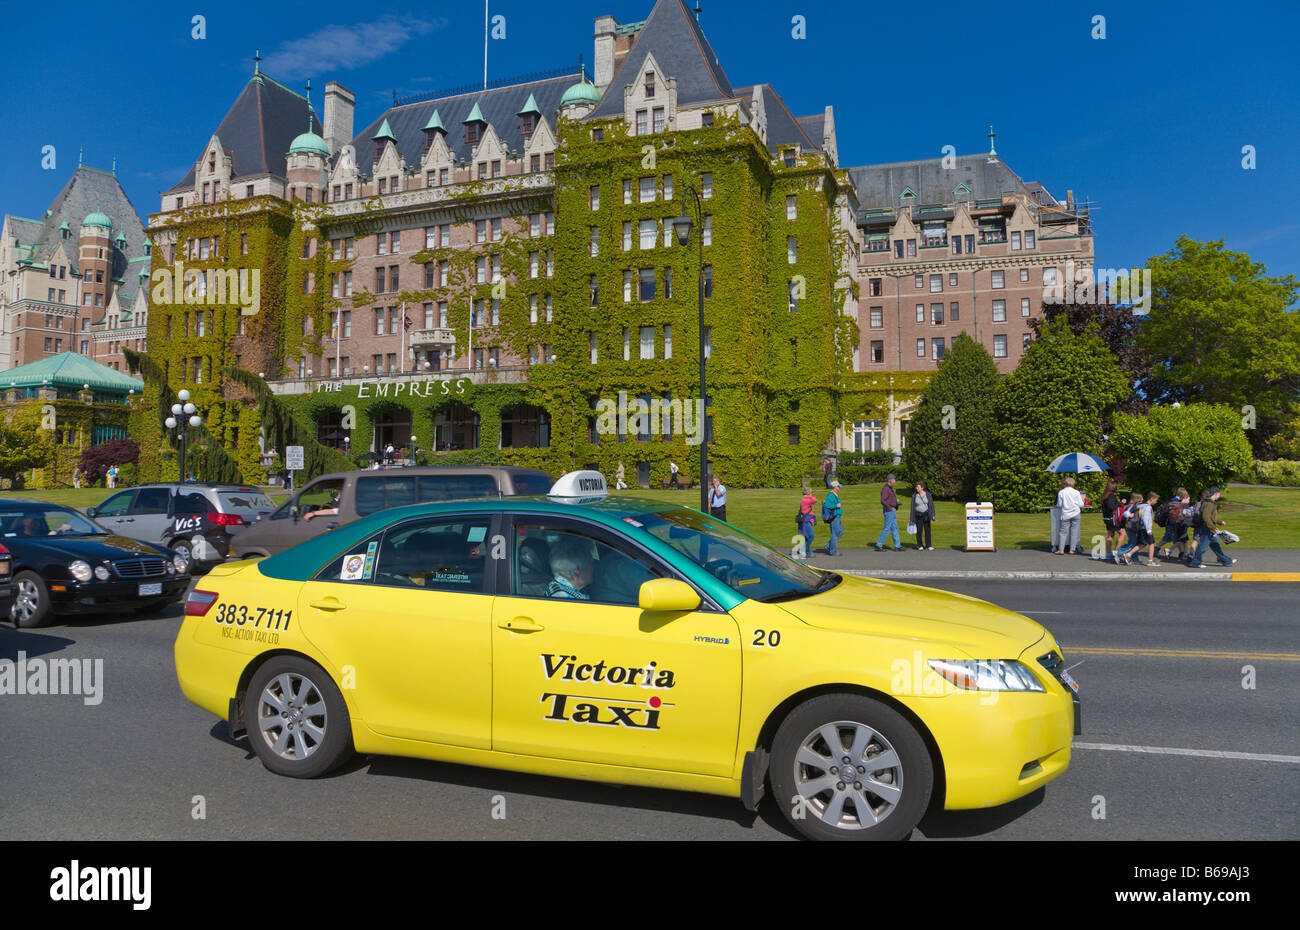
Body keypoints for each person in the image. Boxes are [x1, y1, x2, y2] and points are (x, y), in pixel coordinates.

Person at [1188, 487, 1236, 568]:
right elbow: (1206, 517)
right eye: (1219, 494)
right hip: (1207, 528)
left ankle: (1226, 561)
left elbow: (1211, 517)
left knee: (1216, 546)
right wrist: (1213, 528)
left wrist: (1220, 522)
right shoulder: (1209, 504)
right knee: (1203, 546)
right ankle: (1195, 562)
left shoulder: (1210, 503)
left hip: (1209, 528)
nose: (1219, 496)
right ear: (1216, 494)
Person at [1115, 491, 1159, 566]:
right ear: (1152, 499)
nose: (1157, 501)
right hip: (1144, 528)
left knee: (1140, 544)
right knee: (1150, 543)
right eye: (1156, 500)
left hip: (1139, 528)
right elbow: (1145, 518)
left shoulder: (1139, 506)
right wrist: (1149, 529)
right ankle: (1150, 561)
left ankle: (1130, 556)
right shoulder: (1147, 507)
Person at [1157, 487, 1191, 561]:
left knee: (1174, 538)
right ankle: (1175, 551)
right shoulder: (1181, 504)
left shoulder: (1170, 502)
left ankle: (1182, 553)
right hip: (1177, 524)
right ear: (1183, 496)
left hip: (1170, 522)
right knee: (1179, 539)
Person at [1054, 476, 1085, 555]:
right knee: (1074, 531)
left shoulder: (1061, 492)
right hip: (1076, 513)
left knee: (1063, 532)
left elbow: (1059, 504)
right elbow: (1081, 504)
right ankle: (1072, 549)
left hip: (1065, 514)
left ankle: (1061, 549)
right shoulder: (1076, 492)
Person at [874, 474, 902, 552]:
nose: (895, 481)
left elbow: (889, 499)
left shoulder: (890, 488)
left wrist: (896, 502)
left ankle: (897, 546)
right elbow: (883, 500)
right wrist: (889, 507)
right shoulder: (886, 489)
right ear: (891, 480)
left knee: (895, 528)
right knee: (887, 528)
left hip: (892, 511)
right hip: (889, 511)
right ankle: (879, 545)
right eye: (894, 480)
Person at [1099, 479, 1125, 558]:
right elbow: (1112, 507)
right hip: (1112, 519)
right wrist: (1121, 503)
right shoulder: (1111, 496)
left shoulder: (1104, 495)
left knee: (1110, 535)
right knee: (1123, 533)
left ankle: (1108, 553)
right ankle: (1116, 551)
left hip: (1107, 518)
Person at [909, 480, 935, 550]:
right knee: (919, 531)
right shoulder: (914, 496)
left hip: (926, 514)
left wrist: (932, 514)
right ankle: (920, 545)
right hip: (918, 515)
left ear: (922, 487)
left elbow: (931, 505)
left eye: (918, 487)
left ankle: (928, 545)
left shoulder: (928, 494)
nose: (916, 488)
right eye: (916, 487)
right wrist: (912, 518)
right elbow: (912, 507)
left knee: (927, 531)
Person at [823, 480, 843, 556]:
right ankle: (833, 551)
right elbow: (826, 505)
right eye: (838, 486)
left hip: (837, 516)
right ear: (835, 487)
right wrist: (836, 506)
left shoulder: (834, 494)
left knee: (840, 532)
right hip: (834, 517)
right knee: (835, 534)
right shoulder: (831, 495)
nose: (839, 487)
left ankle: (828, 546)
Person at [797, 485, 818, 556]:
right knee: (811, 536)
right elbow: (815, 500)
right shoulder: (807, 500)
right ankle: (807, 552)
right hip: (806, 521)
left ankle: (801, 549)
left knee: (806, 537)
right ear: (808, 492)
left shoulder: (804, 499)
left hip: (805, 520)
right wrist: (810, 496)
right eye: (811, 492)